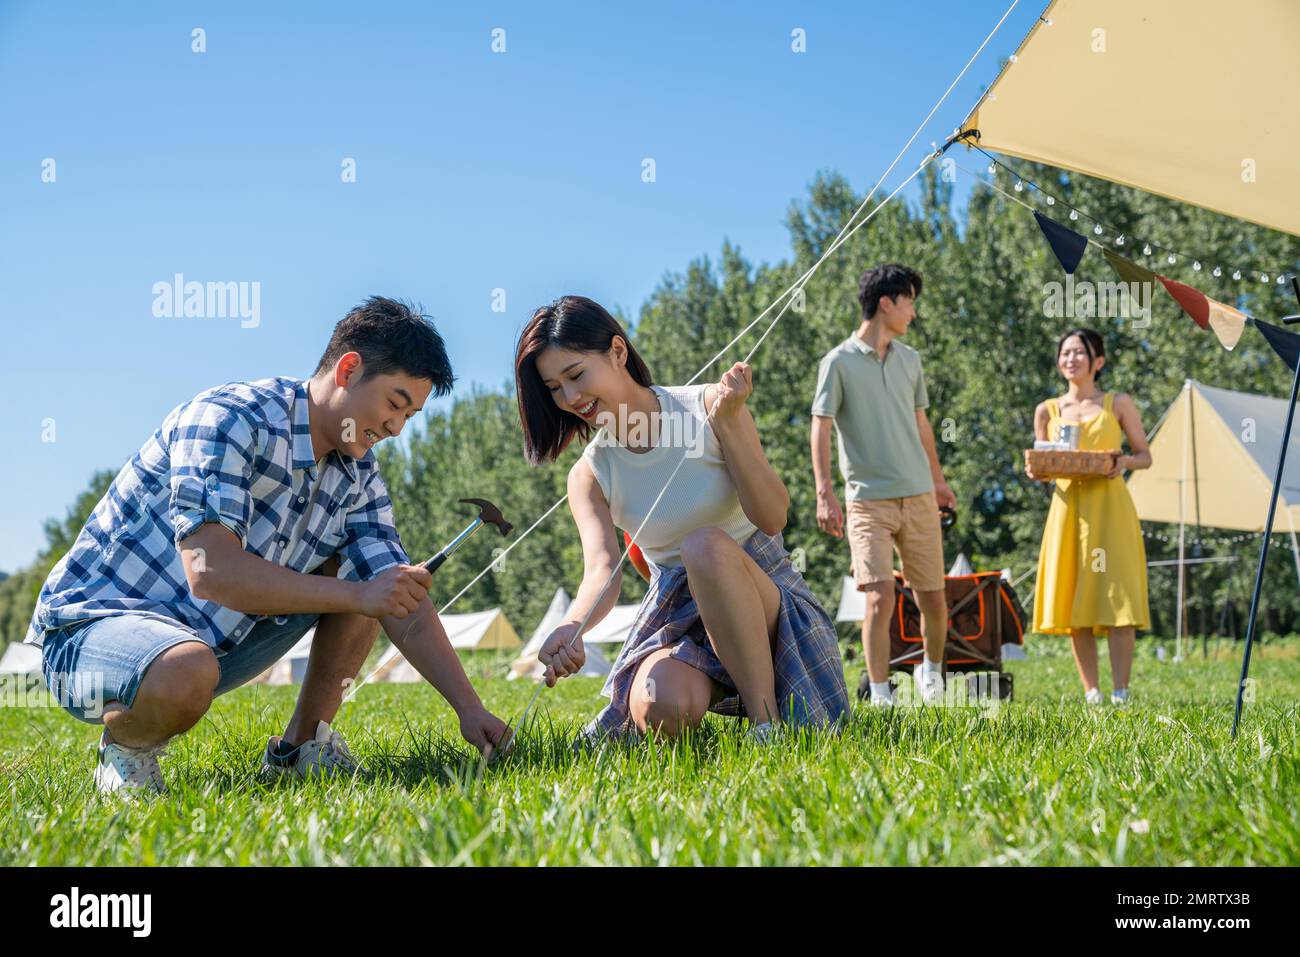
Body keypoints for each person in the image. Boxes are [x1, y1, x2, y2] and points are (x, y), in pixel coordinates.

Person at [26, 297, 511, 797]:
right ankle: (125, 752)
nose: (396, 428)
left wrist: (469, 709)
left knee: (372, 581)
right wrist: (360, 596)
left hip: (209, 646)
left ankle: (301, 750)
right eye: (394, 403)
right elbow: (209, 571)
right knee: (190, 666)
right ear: (348, 369)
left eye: (410, 414)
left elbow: (398, 597)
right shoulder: (229, 420)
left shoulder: (358, 474)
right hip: (90, 640)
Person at [513, 295, 849, 742]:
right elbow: (601, 570)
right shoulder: (589, 474)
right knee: (659, 706)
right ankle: (716, 695)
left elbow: (772, 517)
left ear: (617, 351)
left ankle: (767, 724)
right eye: (554, 388)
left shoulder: (710, 405)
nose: (571, 398)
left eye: (575, 375)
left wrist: (728, 424)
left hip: (767, 604)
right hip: (679, 617)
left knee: (703, 546)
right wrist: (573, 625)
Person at [811, 263, 956, 706]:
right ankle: (880, 693)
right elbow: (820, 426)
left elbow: (922, 425)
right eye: (909, 301)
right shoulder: (837, 362)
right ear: (886, 302)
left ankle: (931, 672)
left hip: (918, 496)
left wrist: (939, 481)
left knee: (932, 598)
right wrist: (824, 494)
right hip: (866, 503)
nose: (913, 312)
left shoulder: (911, 360)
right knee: (878, 596)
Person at [1028, 328, 1152, 705]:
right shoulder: (1046, 410)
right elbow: (1043, 462)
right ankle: (1092, 692)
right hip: (1067, 510)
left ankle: (1121, 691)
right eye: (1065, 352)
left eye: (1080, 352)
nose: (1071, 359)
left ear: (1098, 361)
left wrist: (1123, 462)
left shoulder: (1118, 403)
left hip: (1111, 507)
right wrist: (1037, 471)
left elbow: (1145, 455)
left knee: (1118, 597)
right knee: (1074, 596)